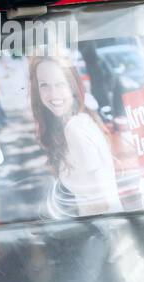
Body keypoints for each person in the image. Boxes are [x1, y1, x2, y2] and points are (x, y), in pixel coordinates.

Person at [29, 55, 123, 216]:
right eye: (44, 85)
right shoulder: (81, 119)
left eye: (60, 84)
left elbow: (100, 201)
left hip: (104, 229)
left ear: (72, 86)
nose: (53, 94)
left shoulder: (74, 129)